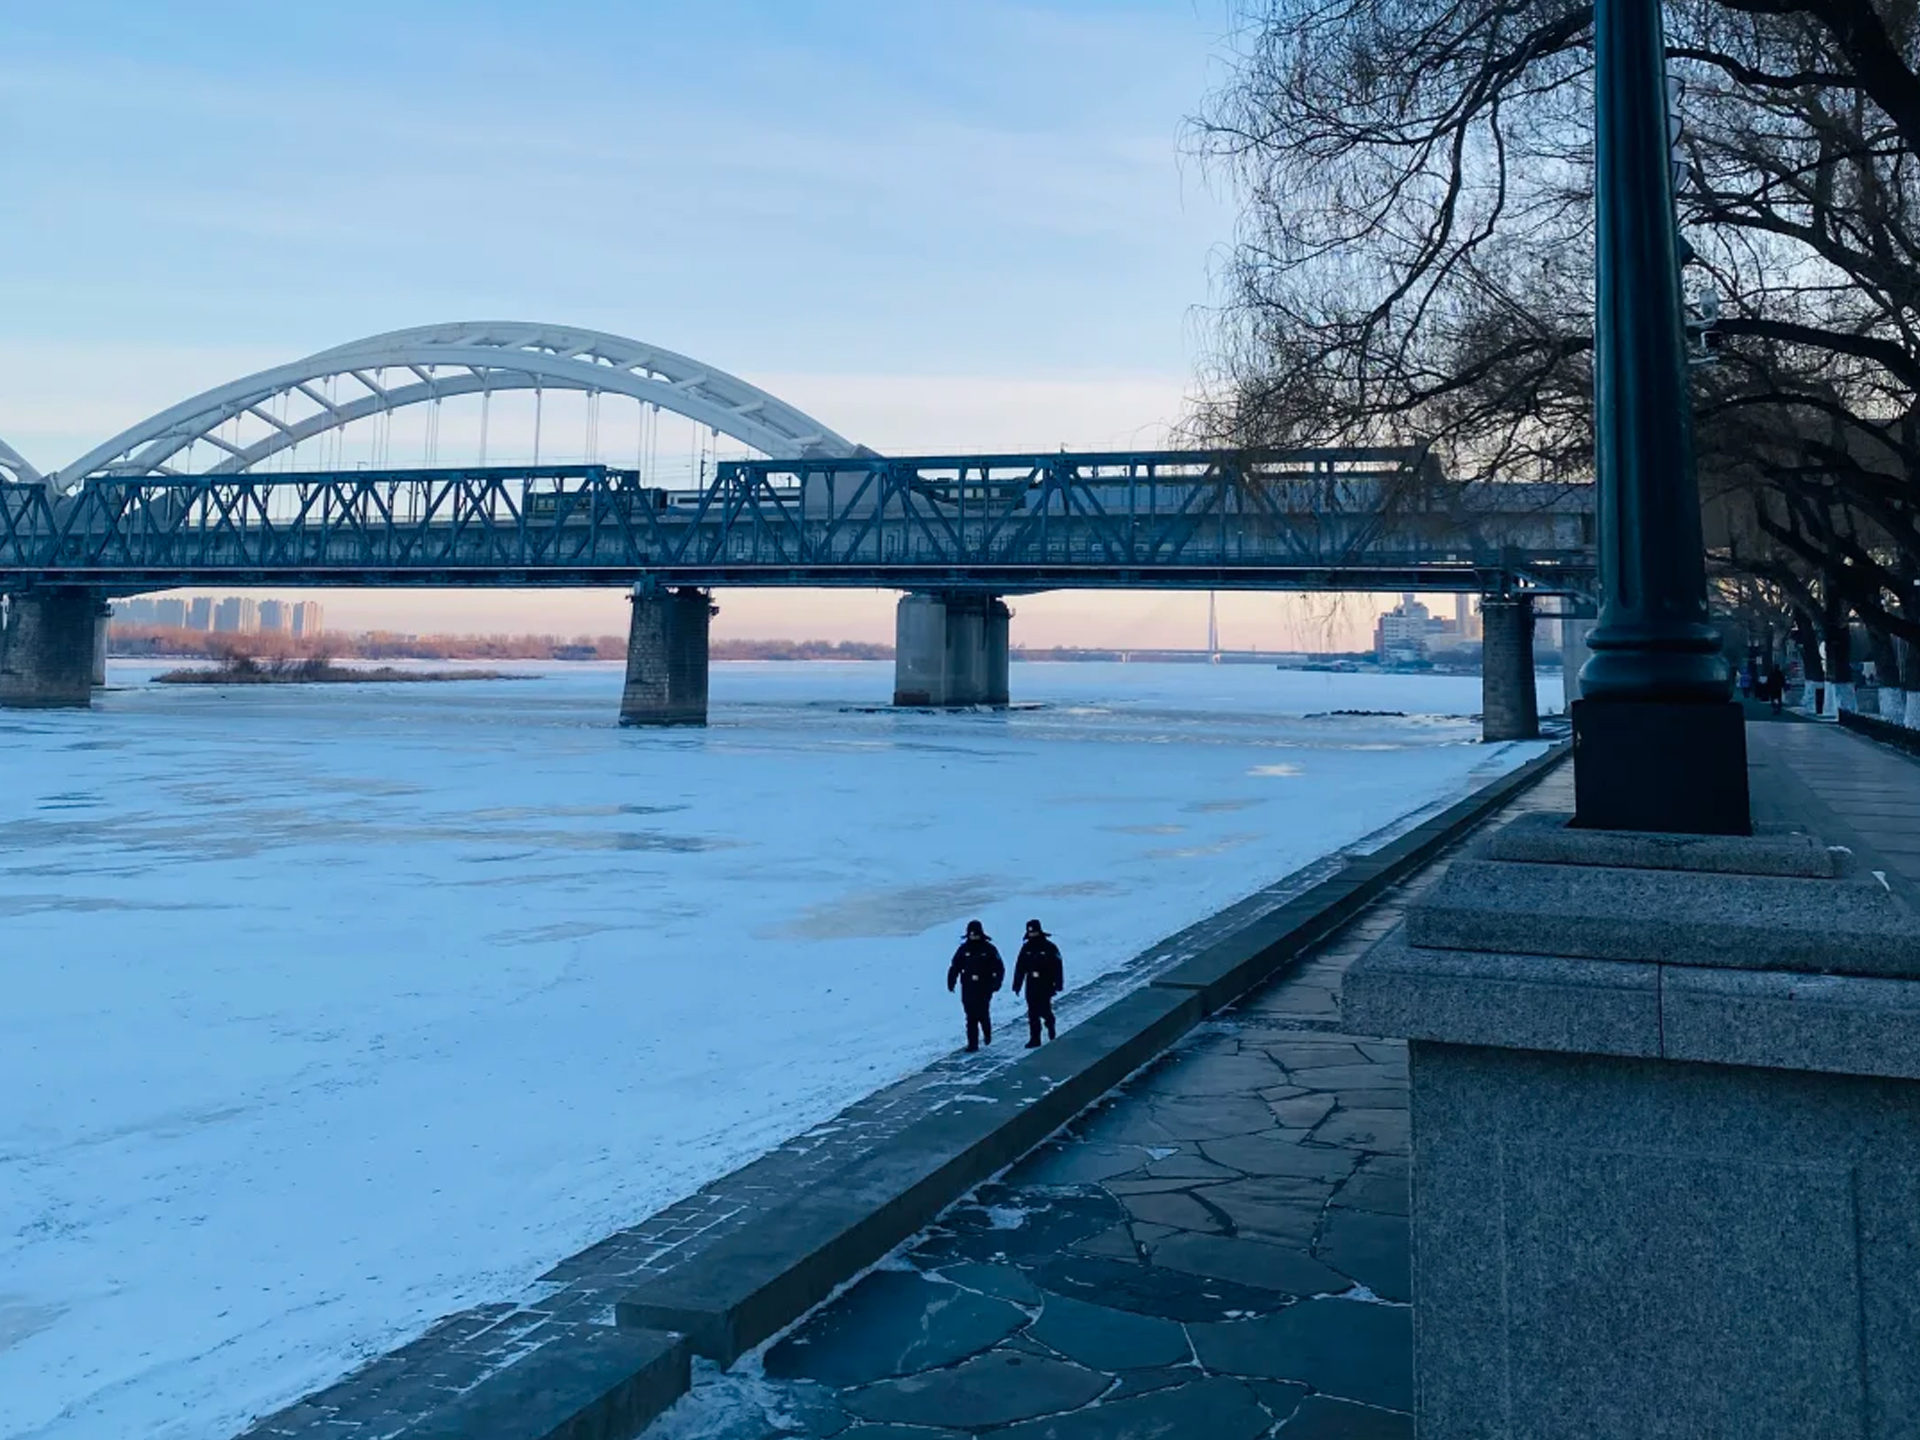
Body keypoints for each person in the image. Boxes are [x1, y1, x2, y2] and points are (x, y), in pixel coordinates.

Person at [947, 919, 1004, 1052]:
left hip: (984, 986)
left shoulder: (989, 949)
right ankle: (972, 1044)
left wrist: (997, 983)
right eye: (971, 934)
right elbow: (955, 966)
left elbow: (999, 968)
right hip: (968, 987)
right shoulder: (963, 949)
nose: (974, 937)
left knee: (982, 1012)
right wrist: (951, 981)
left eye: (976, 934)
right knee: (970, 1016)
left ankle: (987, 1032)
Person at [1012, 918, 1065, 1048]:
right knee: (1032, 1013)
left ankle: (1050, 1023)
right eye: (1030, 932)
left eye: (1034, 932)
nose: (1032, 935)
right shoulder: (1026, 948)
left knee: (1044, 1009)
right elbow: (1020, 967)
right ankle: (1035, 1039)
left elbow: (1057, 966)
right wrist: (1017, 984)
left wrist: (1058, 983)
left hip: (1045, 983)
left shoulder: (1049, 947)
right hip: (1031, 983)